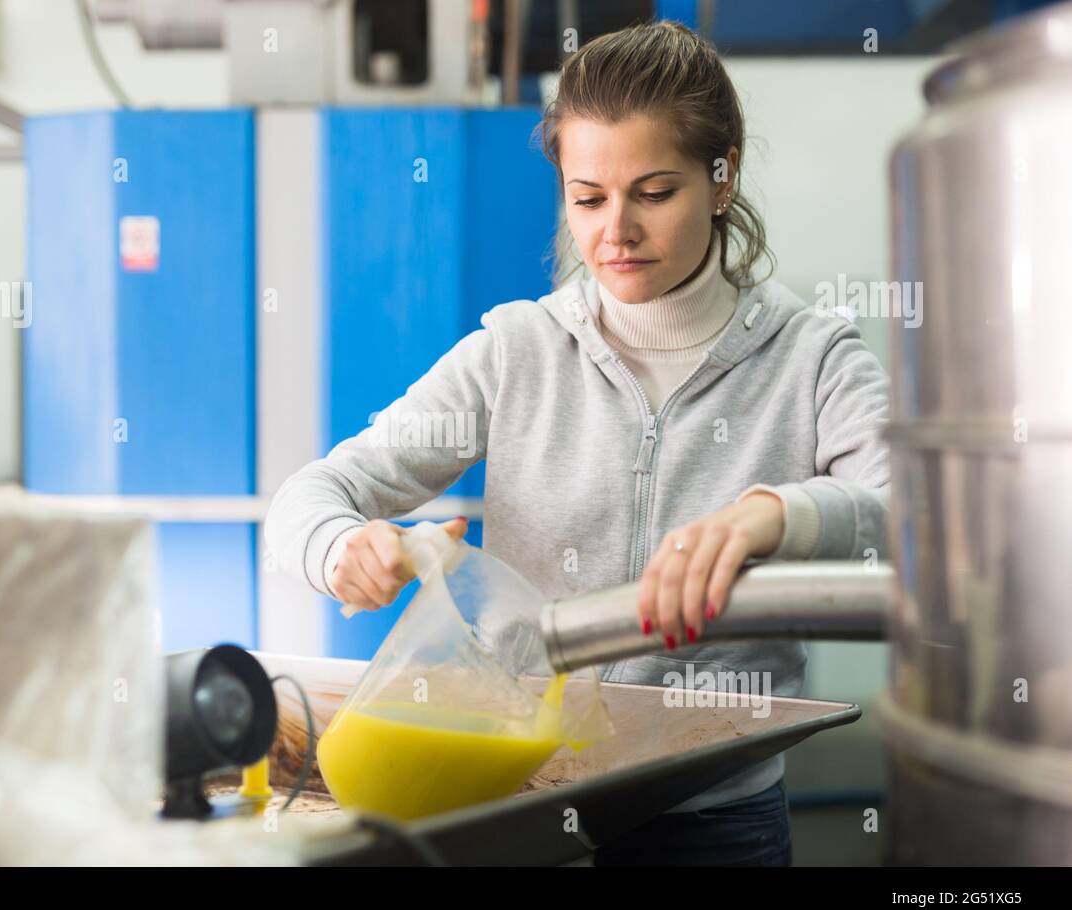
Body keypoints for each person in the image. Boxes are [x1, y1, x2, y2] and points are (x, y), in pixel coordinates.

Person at [264, 20, 888, 866]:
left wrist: (775, 516)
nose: (616, 232)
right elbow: (308, 498)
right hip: (520, 800)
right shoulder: (518, 351)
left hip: (716, 818)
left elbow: (912, 521)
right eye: (588, 199)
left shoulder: (811, 357)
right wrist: (342, 549)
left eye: (654, 193)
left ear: (723, 177)